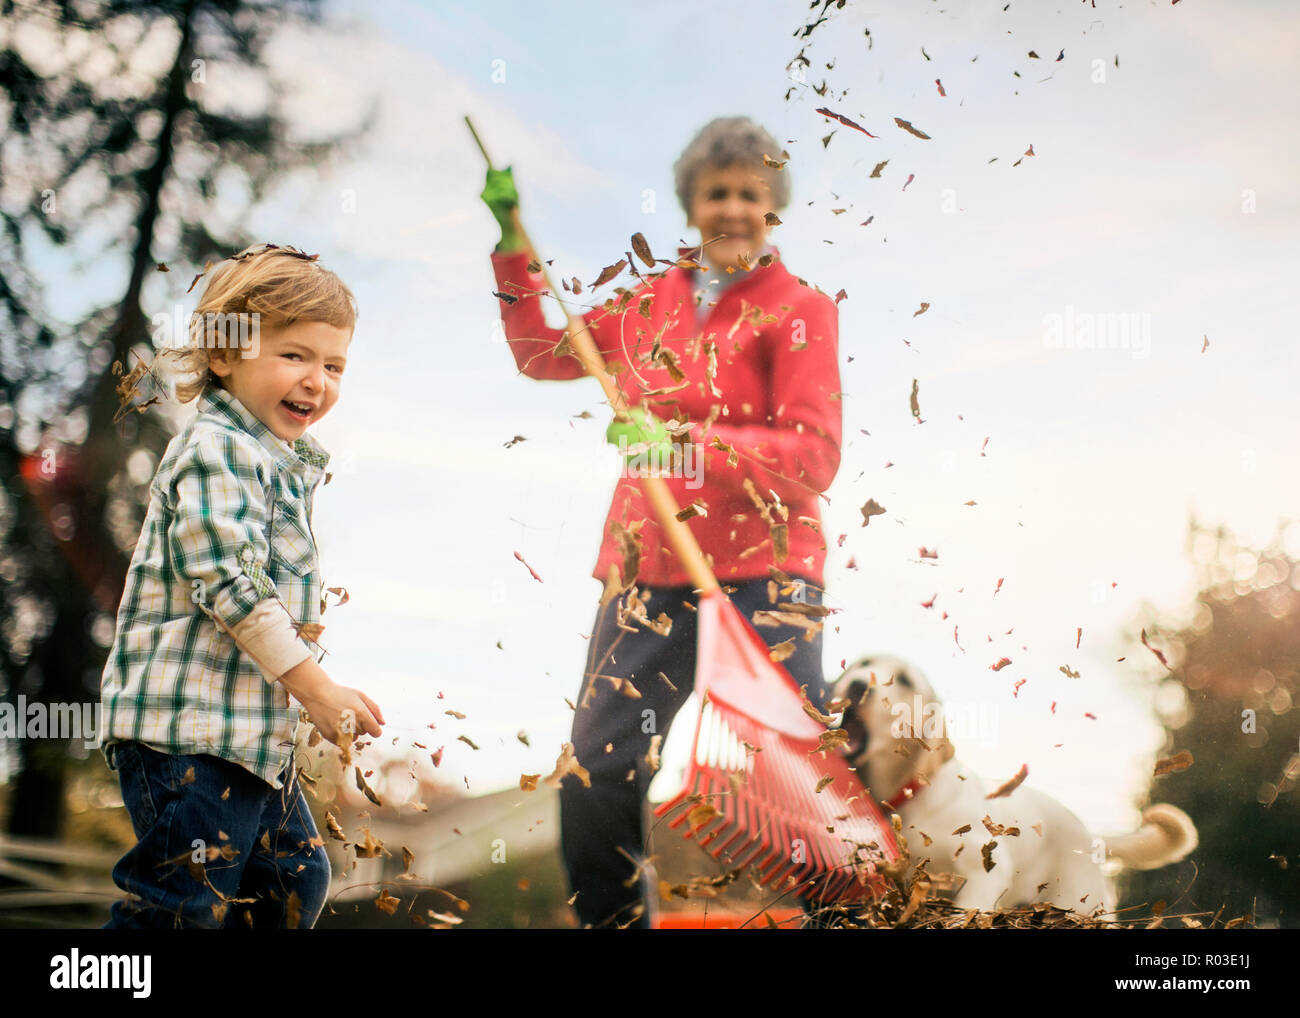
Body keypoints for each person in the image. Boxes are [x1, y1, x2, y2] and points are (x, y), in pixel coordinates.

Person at [483, 116, 842, 928]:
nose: (734, 208)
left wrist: (683, 445)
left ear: (774, 206)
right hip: (649, 567)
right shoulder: (647, 303)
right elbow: (542, 351)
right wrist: (511, 243)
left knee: (797, 769)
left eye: (752, 193)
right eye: (718, 192)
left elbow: (813, 455)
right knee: (596, 769)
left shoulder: (802, 310)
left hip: (768, 570)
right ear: (691, 203)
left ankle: (842, 923)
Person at [98, 244, 385, 929]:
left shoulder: (277, 462)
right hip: (187, 736)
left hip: (253, 740)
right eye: (295, 356)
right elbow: (227, 578)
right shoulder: (215, 449)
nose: (317, 381)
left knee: (292, 882)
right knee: (182, 906)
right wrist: (316, 688)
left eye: (334, 365)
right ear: (223, 356)